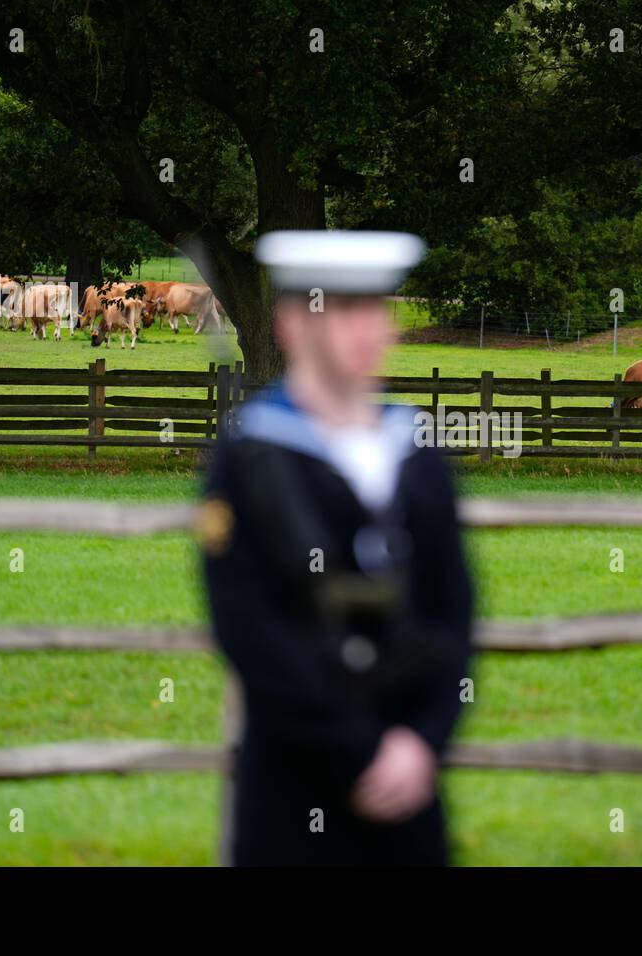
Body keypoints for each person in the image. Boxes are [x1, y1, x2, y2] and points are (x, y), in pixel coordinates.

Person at [199, 230, 475, 866]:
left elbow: (452, 609)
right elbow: (251, 633)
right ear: (293, 324)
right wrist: (361, 749)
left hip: (409, 793)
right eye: (343, 309)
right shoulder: (247, 463)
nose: (368, 327)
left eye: (377, 308)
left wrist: (420, 742)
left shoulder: (419, 452)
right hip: (292, 795)